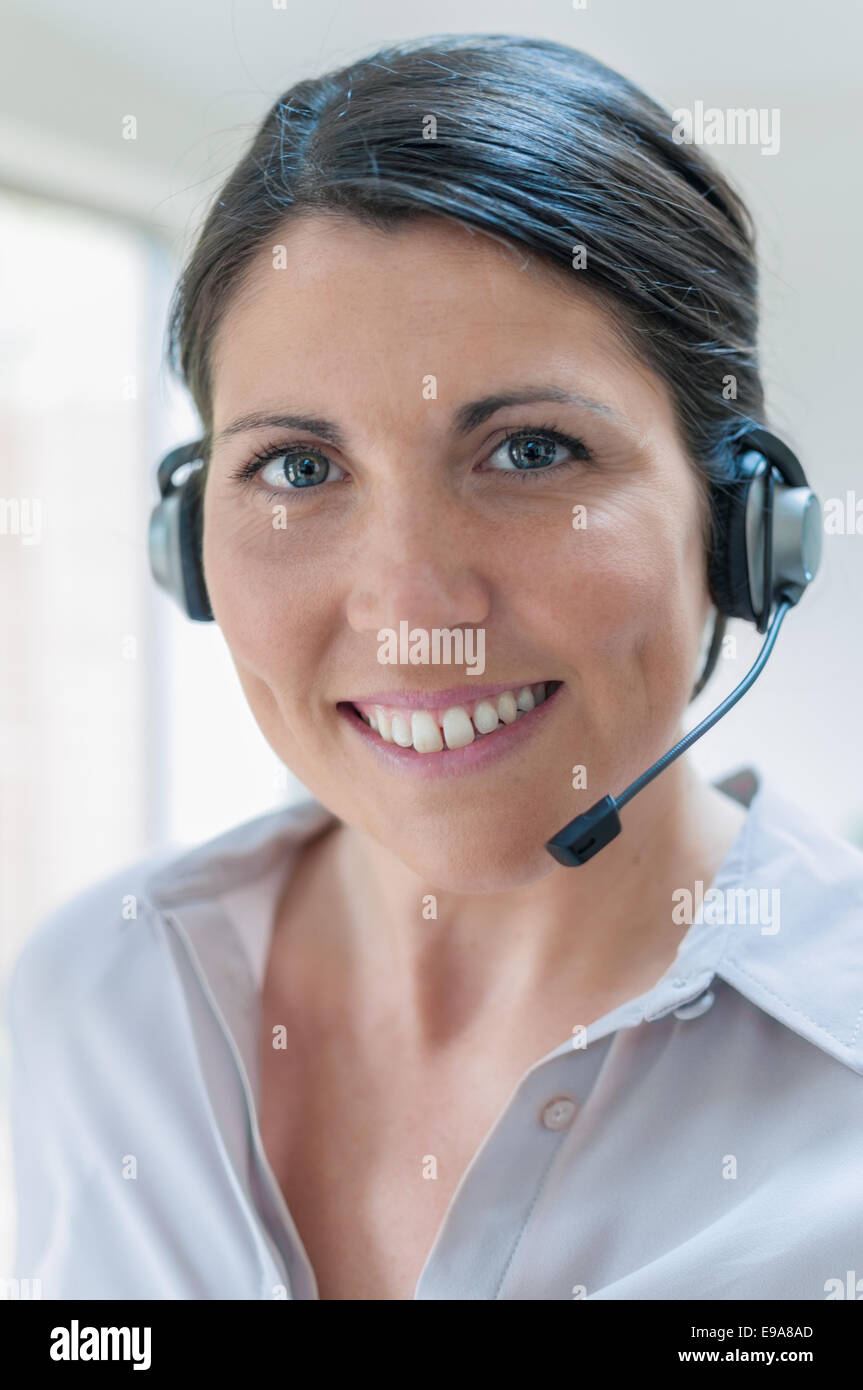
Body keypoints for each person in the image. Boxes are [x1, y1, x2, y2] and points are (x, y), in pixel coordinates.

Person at [7, 33, 863, 1302]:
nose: (411, 607)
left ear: (739, 528)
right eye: (298, 468)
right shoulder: (88, 1003)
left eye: (529, 453)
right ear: (186, 547)